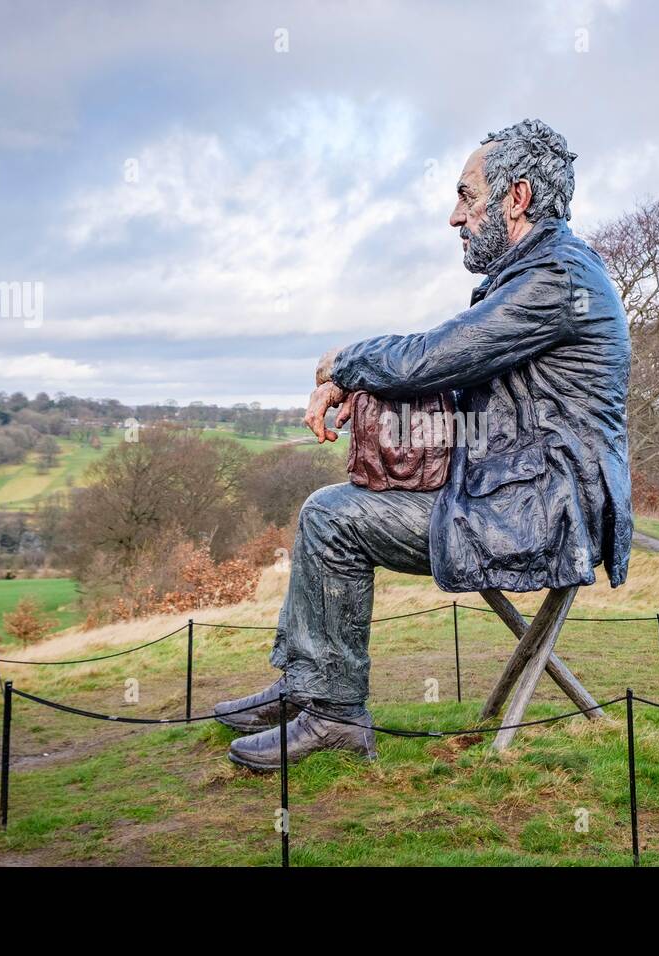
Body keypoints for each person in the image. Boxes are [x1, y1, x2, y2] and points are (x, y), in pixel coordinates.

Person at [216, 119, 631, 770]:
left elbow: (433, 357)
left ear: (515, 199)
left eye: (467, 196)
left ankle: (333, 716)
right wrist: (364, 396)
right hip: (526, 495)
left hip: (544, 515)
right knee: (331, 504)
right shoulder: (540, 274)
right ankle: (306, 685)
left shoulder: (555, 277)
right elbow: (456, 385)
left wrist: (340, 366)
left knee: (332, 518)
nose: (454, 216)